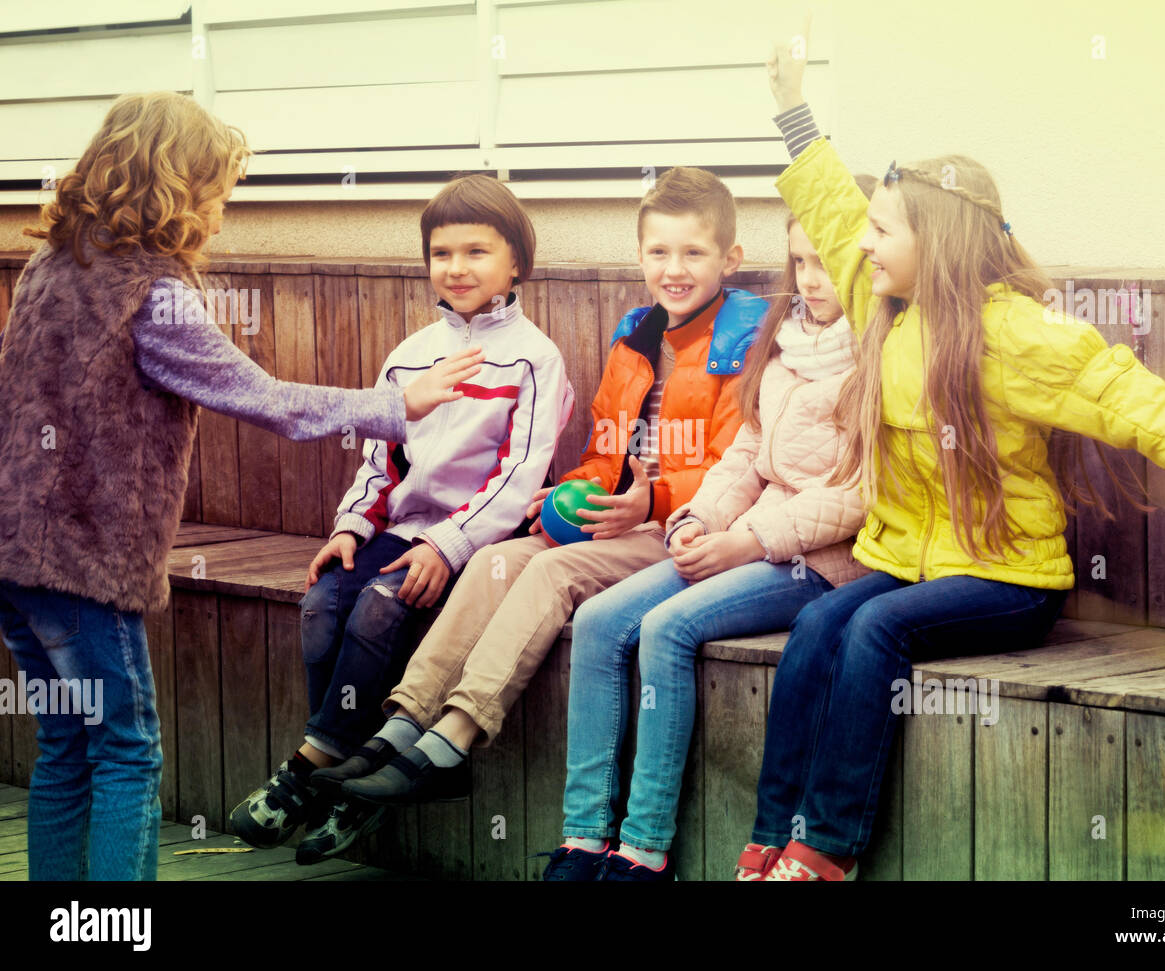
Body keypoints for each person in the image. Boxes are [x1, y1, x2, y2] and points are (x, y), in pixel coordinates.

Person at [741, 31, 1165, 882]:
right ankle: (772, 832)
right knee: (819, 622)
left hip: (1008, 578)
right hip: (911, 562)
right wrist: (793, 109)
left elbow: (1124, 393)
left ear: (940, 241)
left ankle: (827, 848)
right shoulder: (882, 303)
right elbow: (831, 207)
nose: (863, 244)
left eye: (884, 231)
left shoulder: (1015, 335)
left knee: (874, 626)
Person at [0, 91, 476, 880]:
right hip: (81, 562)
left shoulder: (54, 264)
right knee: (125, 750)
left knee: (67, 744)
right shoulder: (150, 291)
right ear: (177, 187)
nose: (221, 211)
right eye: (216, 191)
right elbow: (266, 399)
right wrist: (397, 403)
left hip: (15, 555)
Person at [312, 167, 769, 813]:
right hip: (623, 518)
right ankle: (402, 724)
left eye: (693, 252)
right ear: (640, 256)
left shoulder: (748, 340)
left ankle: (454, 738)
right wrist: (565, 492)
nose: (675, 268)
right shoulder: (636, 338)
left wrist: (654, 502)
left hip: (695, 528)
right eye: (660, 251)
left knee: (552, 573)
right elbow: (606, 454)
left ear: (731, 258)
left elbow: (738, 467)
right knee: (496, 558)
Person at [228, 175, 574, 864]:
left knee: (380, 609)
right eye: (441, 253)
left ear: (516, 263)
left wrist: (447, 546)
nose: (457, 267)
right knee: (324, 603)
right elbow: (380, 464)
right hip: (397, 531)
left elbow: (518, 479)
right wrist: (350, 528)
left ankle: (310, 774)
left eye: (477, 251)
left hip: (479, 544)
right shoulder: (410, 352)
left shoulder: (534, 358)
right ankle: (347, 782)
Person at [542, 213, 869, 881]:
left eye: (826, 263)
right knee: (600, 620)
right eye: (800, 262)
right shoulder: (786, 343)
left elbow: (859, 495)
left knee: (667, 626)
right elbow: (745, 453)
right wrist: (695, 520)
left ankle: (642, 851)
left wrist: (744, 542)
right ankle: (583, 841)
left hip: (822, 561)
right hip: (744, 534)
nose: (809, 279)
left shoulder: (882, 359)